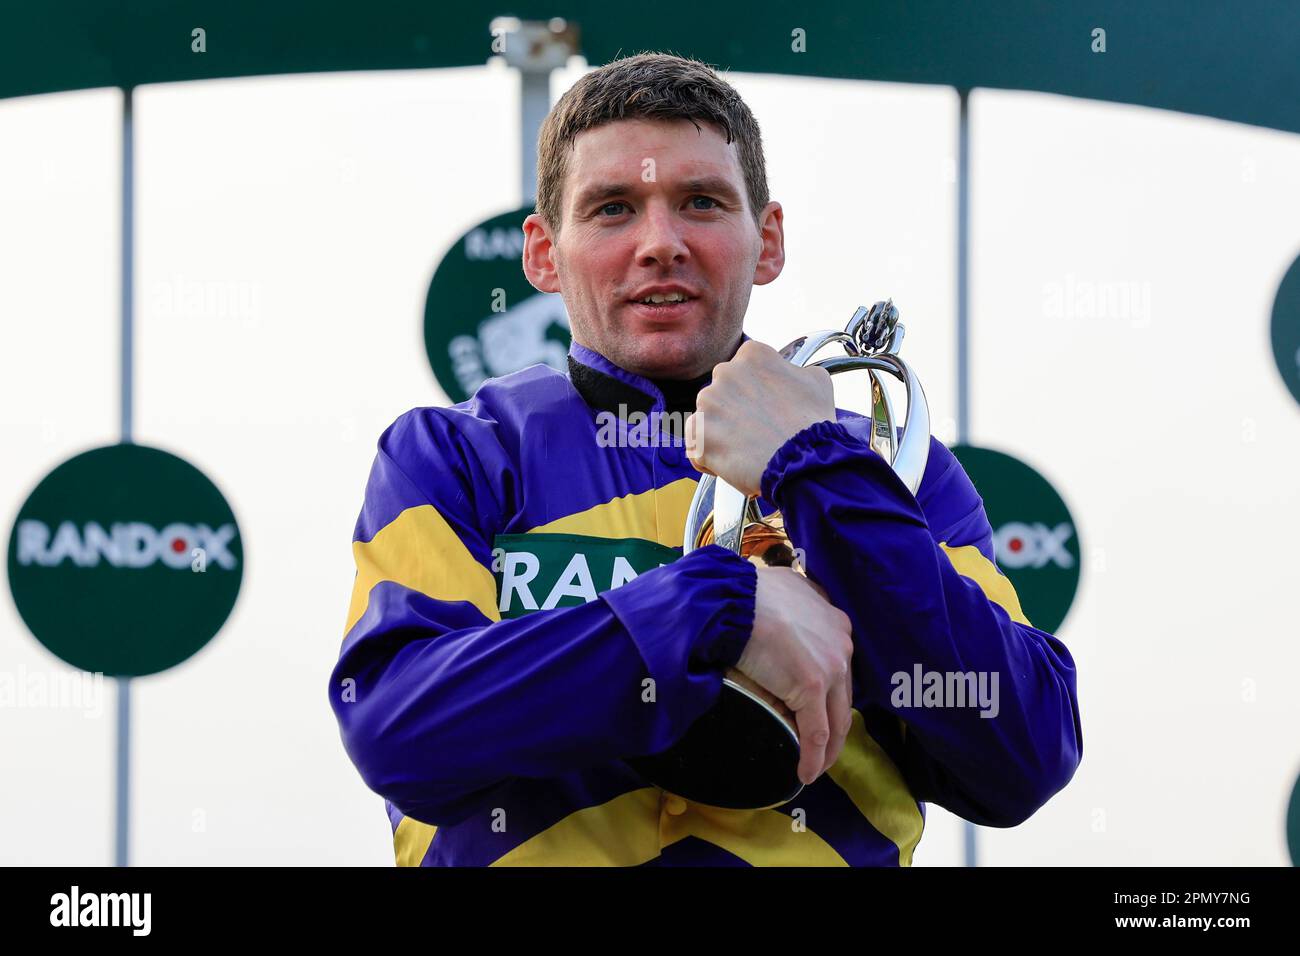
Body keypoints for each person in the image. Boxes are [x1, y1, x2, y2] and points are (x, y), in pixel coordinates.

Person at [329, 52, 1082, 867]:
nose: (661, 244)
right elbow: (396, 727)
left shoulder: (891, 466)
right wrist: (723, 611)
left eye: (701, 202)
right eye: (613, 208)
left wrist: (813, 464)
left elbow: (1027, 752)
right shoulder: (456, 455)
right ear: (544, 254)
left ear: (767, 240)